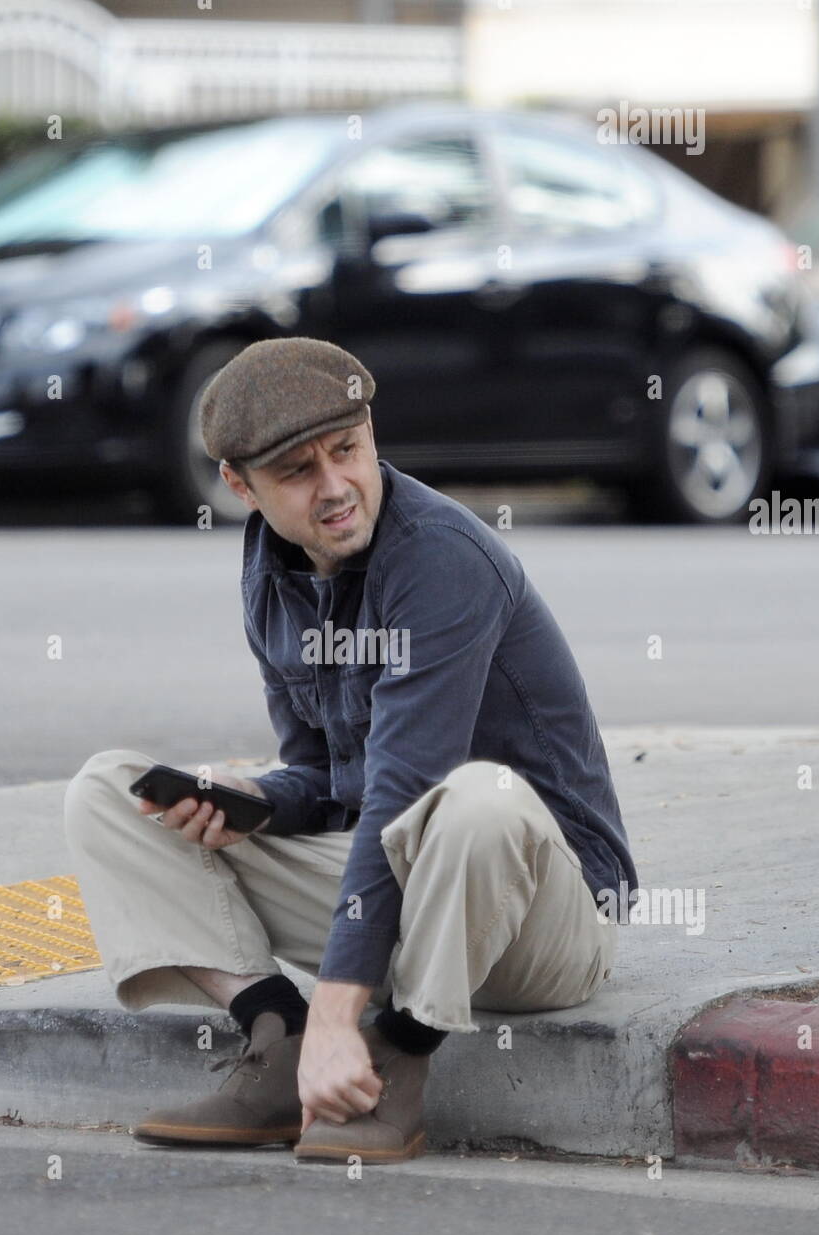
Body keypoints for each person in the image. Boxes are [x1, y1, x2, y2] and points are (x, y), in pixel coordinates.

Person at [63, 336, 637, 1165]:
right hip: (410, 892)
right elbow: (332, 780)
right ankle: (280, 1041)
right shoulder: (273, 569)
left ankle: (395, 1051)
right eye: (297, 472)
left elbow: (405, 788)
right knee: (109, 792)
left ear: (371, 434)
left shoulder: (440, 560)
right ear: (240, 487)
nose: (334, 488)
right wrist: (251, 800)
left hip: (542, 914)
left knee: (479, 797)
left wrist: (347, 1012)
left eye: (347, 451)